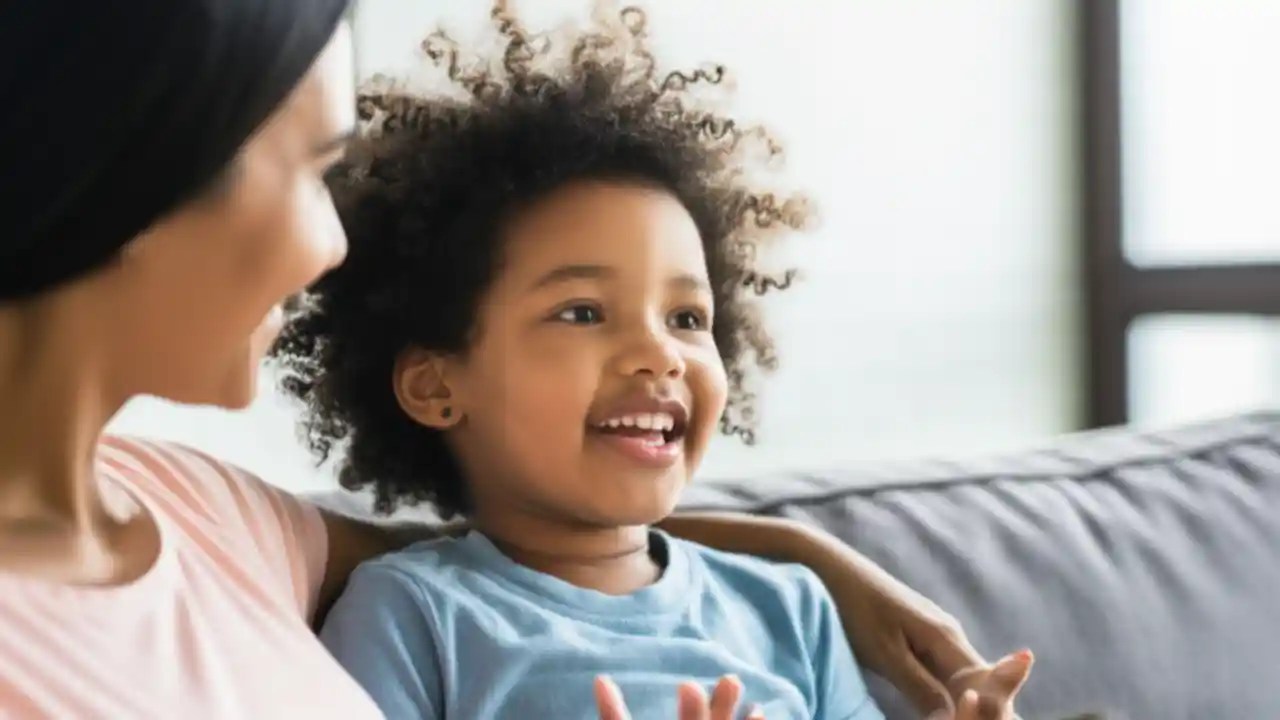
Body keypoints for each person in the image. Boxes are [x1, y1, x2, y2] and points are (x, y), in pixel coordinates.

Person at [0, 1, 1014, 718]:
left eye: (686, 317)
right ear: (136, 181)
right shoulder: (410, 616)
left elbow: (535, 541)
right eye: (314, 174)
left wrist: (806, 556)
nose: (334, 248)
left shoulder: (203, 512)